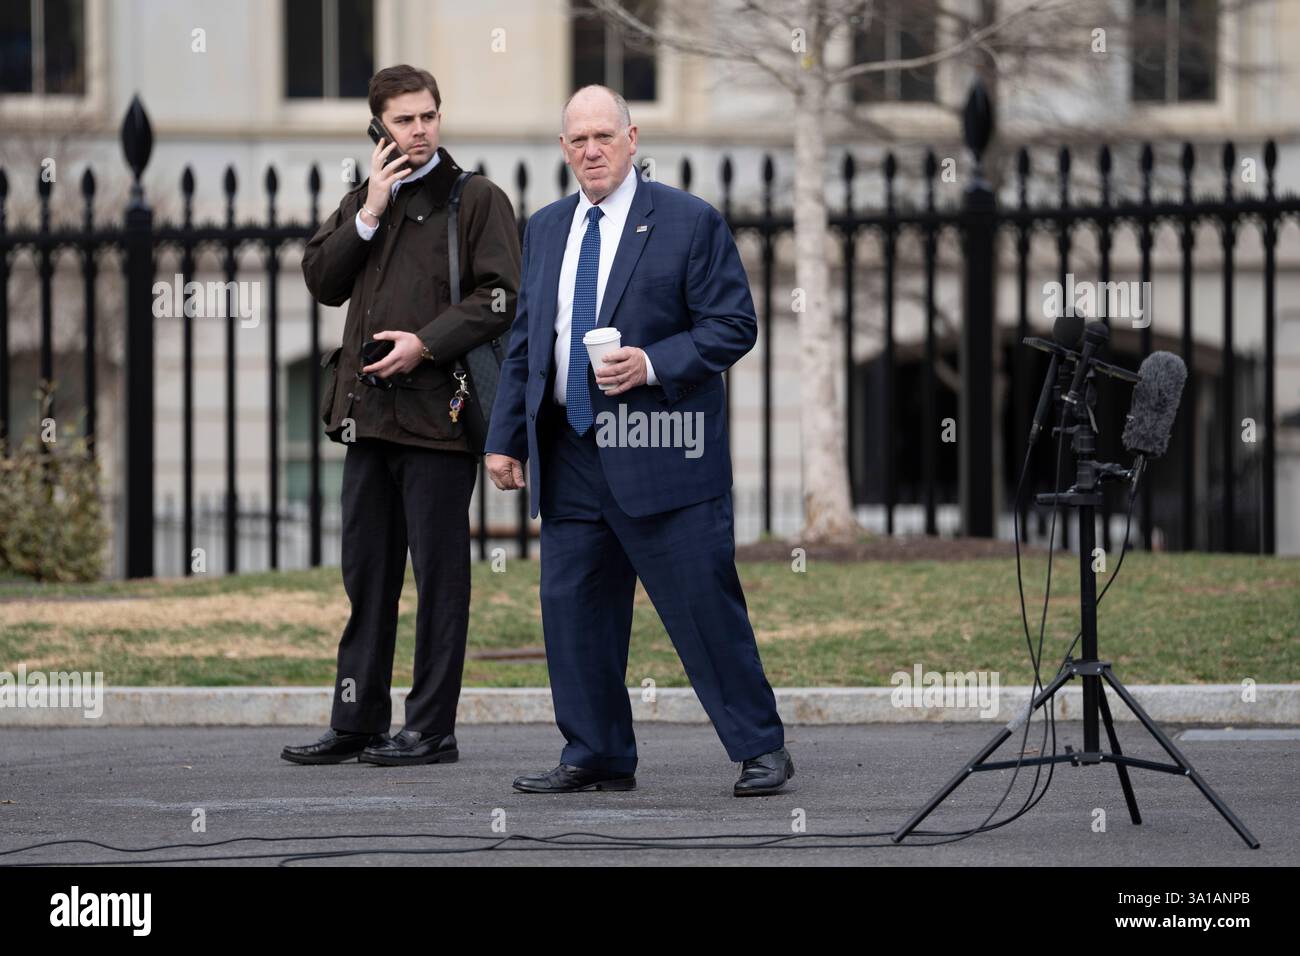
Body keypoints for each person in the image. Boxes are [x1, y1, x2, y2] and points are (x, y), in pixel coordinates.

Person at [484, 84, 793, 796]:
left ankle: (760, 748)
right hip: (570, 452)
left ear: (632, 138)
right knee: (574, 614)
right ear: (563, 151)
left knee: (703, 609)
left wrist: (652, 363)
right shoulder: (546, 228)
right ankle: (595, 752)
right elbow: (529, 342)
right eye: (577, 140)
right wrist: (507, 439)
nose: (591, 150)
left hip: (665, 452)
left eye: (603, 135)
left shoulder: (688, 222)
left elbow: (732, 326)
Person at [283, 64, 520, 766]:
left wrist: (426, 343)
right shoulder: (369, 198)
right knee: (367, 579)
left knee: (440, 581)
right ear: (377, 128)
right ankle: (356, 720)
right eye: (404, 120)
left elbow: (503, 297)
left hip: (441, 423)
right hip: (367, 420)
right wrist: (368, 212)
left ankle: (431, 729)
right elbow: (323, 280)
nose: (418, 130)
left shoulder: (475, 199)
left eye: (428, 117)